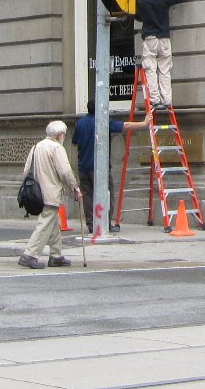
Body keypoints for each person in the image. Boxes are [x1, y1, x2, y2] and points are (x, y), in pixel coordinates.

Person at [73, 102, 150, 236]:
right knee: (107, 194)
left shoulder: (80, 123)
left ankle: (91, 224)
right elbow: (125, 126)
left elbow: (75, 141)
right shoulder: (104, 121)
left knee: (87, 196)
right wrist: (144, 123)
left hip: (83, 166)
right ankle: (104, 223)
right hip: (100, 168)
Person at [19, 120, 81, 269]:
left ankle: (56, 255)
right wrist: (75, 188)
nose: (64, 138)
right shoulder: (56, 148)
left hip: (37, 192)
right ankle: (30, 254)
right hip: (51, 192)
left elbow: (26, 171)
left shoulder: (36, 147)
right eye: (64, 135)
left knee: (53, 224)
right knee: (45, 224)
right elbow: (65, 171)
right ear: (60, 135)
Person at [138, 0, 189, 113]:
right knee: (165, 70)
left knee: (150, 69)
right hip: (164, 39)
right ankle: (166, 100)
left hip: (150, 39)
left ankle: (154, 100)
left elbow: (137, 15)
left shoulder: (142, 0)